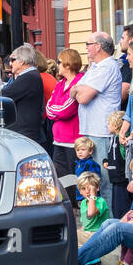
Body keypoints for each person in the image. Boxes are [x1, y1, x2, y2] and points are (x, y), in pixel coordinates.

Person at [71, 32, 123, 166]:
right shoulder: (94, 67)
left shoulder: (108, 66)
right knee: (90, 179)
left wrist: (79, 89)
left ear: (98, 46)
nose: (86, 48)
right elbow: (72, 92)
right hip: (89, 129)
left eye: (88, 44)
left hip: (101, 131)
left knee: (102, 178)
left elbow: (82, 99)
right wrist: (79, 89)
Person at [45, 49, 85, 181]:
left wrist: (57, 111)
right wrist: (57, 111)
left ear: (68, 64)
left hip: (73, 141)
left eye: (59, 62)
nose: (57, 65)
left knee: (76, 178)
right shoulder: (60, 83)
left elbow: (66, 110)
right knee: (61, 179)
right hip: (58, 140)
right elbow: (48, 109)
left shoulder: (80, 82)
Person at [2, 45, 46, 144]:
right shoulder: (30, 76)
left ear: (21, 61)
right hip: (25, 133)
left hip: (26, 135)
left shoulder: (29, 77)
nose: (10, 63)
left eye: (12, 60)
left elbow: (4, 95)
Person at [75, 172, 112, 253]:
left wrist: (93, 195)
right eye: (83, 189)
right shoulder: (83, 203)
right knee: (71, 234)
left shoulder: (100, 201)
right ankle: (84, 254)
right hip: (89, 234)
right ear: (80, 191)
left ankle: (87, 255)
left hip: (99, 234)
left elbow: (91, 213)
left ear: (97, 188)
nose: (87, 191)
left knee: (74, 236)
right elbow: (85, 224)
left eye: (90, 188)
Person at [103, 110, 130, 219]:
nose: (107, 126)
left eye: (109, 123)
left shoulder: (122, 140)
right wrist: (106, 161)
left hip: (122, 180)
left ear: (115, 125)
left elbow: (124, 158)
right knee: (115, 206)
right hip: (114, 179)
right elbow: (111, 156)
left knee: (122, 207)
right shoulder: (112, 138)